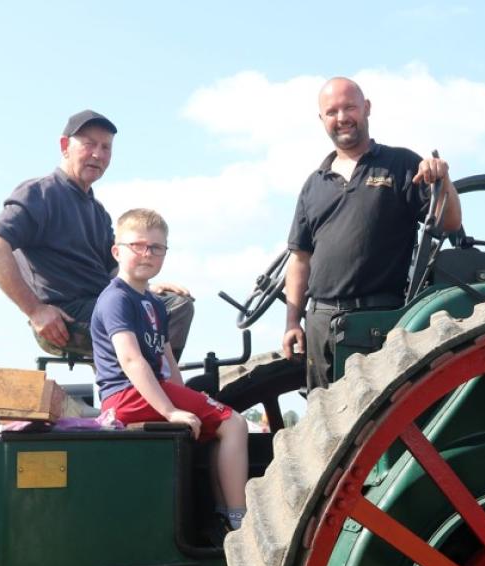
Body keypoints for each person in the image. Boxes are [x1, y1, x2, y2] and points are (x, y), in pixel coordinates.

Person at [281, 77, 462, 390]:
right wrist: (292, 323)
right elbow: (299, 259)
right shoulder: (314, 183)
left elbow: (449, 223)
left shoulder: (402, 163)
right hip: (321, 323)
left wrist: (442, 180)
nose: (342, 118)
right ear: (321, 119)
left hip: (379, 322)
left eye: (349, 107)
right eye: (332, 111)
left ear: (366, 108)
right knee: (323, 421)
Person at [0, 110, 195, 358]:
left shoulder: (97, 211)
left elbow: (113, 269)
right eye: (89, 144)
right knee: (165, 310)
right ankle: (153, 388)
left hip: (104, 305)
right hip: (68, 316)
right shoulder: (40, 194)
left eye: (106, 147)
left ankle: (153, 383)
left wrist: (147, 287)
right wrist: (35, 310)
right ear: (65, 146)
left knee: (173, 304)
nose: (98, 154)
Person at [91, 209, 248, 530]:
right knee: (235, 425)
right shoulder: (116, 300)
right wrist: (170, 410)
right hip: (126, 395)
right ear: (117, 251)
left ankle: (219, 516)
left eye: (156, 248)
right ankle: (240, 522)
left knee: (214, 432)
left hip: (146, 391)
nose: (146, 254)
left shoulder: (154, 303)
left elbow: (166, 362)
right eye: (137, 245)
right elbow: (131, 360)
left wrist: (183, 397)